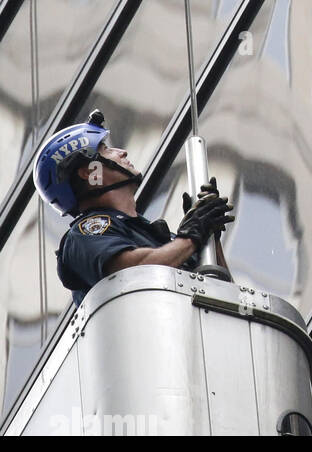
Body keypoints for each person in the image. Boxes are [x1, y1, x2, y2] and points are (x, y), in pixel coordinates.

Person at [34, 113, 234, 307]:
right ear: (89, 172)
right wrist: (192, 237)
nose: (122, 152)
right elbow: (132, 273)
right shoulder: (84, 235)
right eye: (106, 150)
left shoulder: (165, 241)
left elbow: (225, 297)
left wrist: (210, 235)